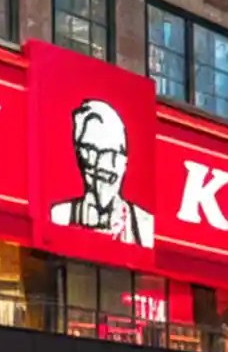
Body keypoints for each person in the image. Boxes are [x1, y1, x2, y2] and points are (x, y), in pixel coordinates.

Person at [50, 99, 154, 249]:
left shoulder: (145, 226)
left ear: (124, 162)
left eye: (110, 153)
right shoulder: (59, 216)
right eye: (90, 151)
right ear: (78, 154)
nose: (101, 164)